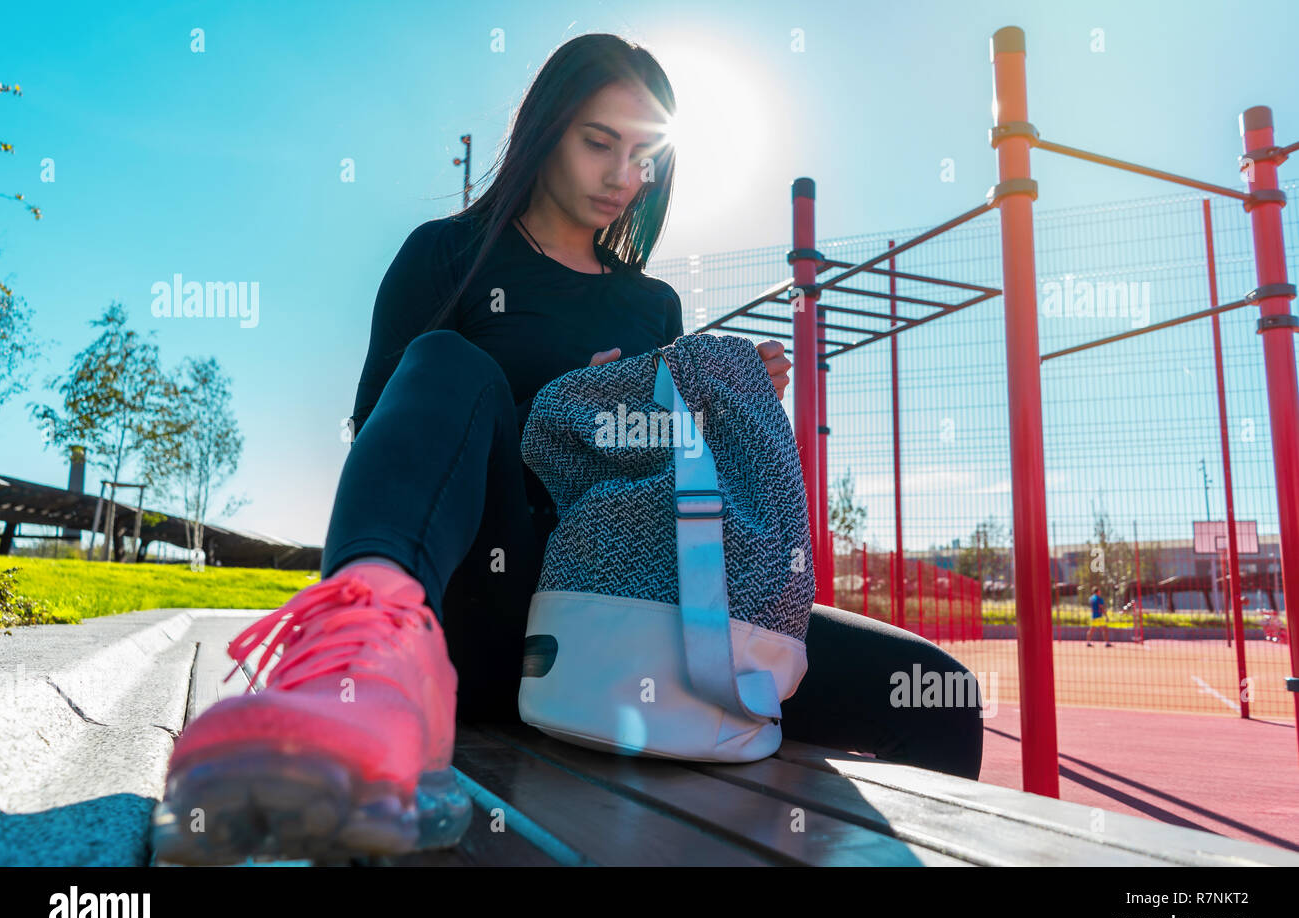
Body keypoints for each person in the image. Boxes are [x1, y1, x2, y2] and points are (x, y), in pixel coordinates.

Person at [153, 33, 984, 866]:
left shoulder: (651, 303)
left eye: (645, 155)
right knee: (447, 363)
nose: (624, 176)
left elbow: (671, 492)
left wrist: (708, 411)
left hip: (634, 623)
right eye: (599, 143)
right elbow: (389, 442)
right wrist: (560, 409)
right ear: (545, 130)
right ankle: (362, 684)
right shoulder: (446, 255)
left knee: (936, 696)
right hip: (484, 622)